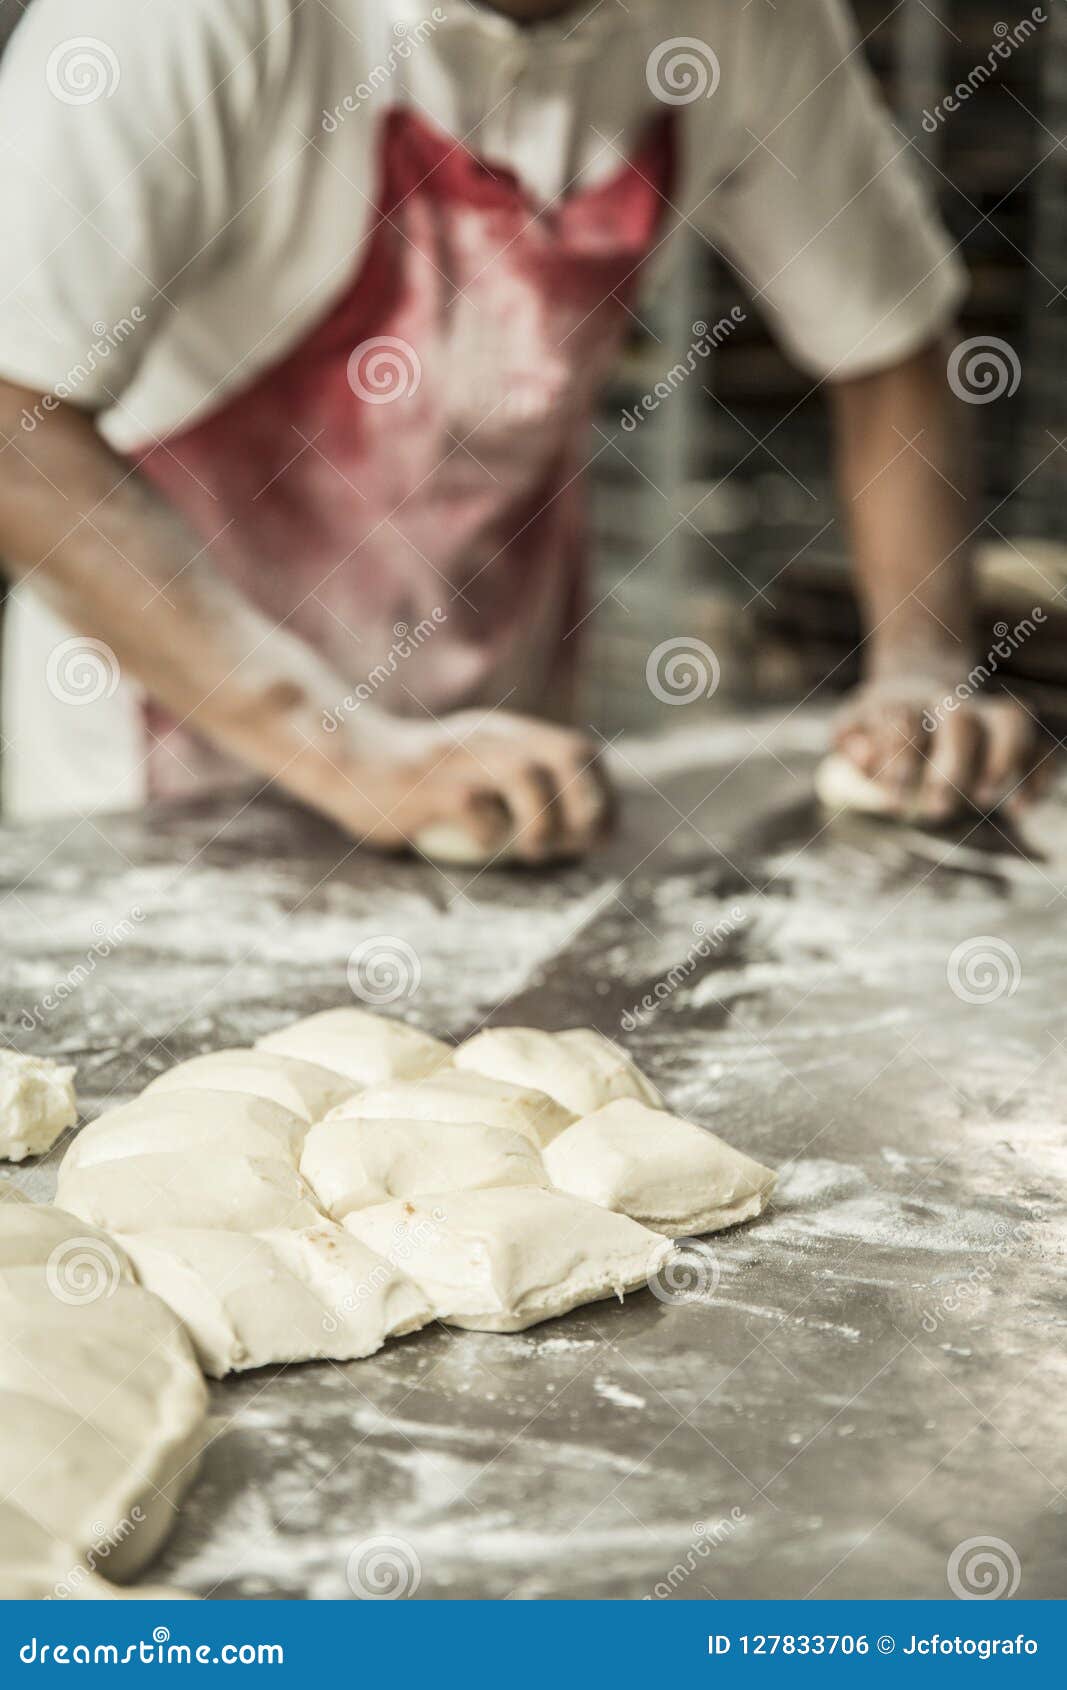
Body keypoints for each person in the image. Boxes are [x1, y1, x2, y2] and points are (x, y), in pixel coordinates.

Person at [0, 0, 1037, 861]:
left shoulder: (738, 18)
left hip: (502, 757)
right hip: (164, 767)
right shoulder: (179, 22)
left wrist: (920, 663)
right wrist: (343, 752)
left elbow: (890, 350)